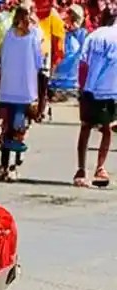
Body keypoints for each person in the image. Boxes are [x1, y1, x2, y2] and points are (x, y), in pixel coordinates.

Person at [0, 1, 45, 181]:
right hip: (21, 89)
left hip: (13, 89)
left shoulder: (13, 35)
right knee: (15, 128)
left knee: (11, 128)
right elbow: (39, 61)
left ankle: (7, 164)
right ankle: (9, 165)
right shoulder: (31, 35)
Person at [75, 5, 117, 186]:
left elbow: (83, 64)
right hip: (107, 90)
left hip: (95, 89)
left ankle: (82, 169)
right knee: (105, 129)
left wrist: (83, 87)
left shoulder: (94, 36)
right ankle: (98, 167)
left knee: (87, 128)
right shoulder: (102, 36)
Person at [51, 4, 89, 95]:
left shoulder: (82, 34)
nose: (68, 20)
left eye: (73, 18)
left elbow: (84, 55)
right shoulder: (60, 33)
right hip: (56, 83)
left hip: (73, 84)